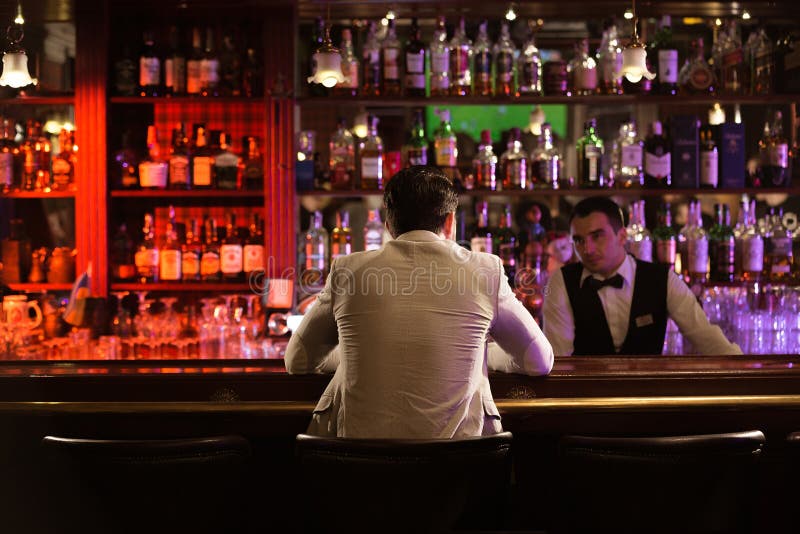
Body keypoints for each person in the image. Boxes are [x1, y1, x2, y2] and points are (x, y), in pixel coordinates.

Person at [285, 166, 554, 438]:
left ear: (388, 225)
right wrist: (486, 356)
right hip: (462, 469)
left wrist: (352, 356)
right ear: (450, 221)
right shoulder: (486, 271)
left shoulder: (347, 270)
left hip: (362, 470)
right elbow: (539, 360)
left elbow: (297, 360)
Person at [542, 196, 741, 356]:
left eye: (597, 236)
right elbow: (558, 358)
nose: (587, 249)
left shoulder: (662, 279)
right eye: (578, 240)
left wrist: (744, 372)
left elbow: (705, 337)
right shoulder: (562, 281)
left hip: (647, 399)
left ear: (622, 236)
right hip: (585, 399)